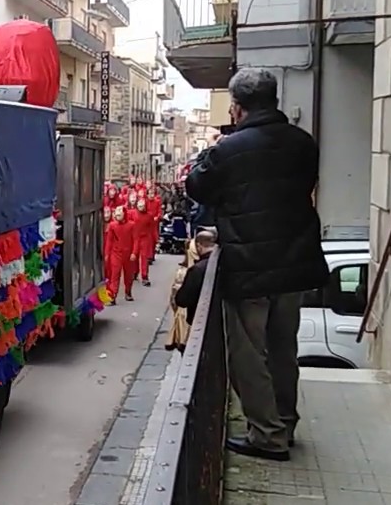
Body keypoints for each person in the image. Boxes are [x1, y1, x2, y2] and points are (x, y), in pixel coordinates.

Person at [185, 68, 329, 462]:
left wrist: (210, 150)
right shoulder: (303, 142)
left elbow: (197, 187)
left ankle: (267, 435)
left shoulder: (228, 150)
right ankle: (285, 423)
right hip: (293, 262)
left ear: (237, 107)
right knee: (284, 349)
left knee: (249, 354)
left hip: (249, 266)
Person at [173, 230, 217, 327]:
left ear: (199, 246)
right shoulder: (224, 264)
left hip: (200, 320)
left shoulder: (197, 270)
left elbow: (182, 300)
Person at [104, 205, 137, 302]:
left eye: (120, 211)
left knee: (128, 275)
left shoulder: (131, 225)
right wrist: (107, 254)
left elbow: (136, 239)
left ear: (124, 213)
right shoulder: (112, 225)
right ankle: (112, 295)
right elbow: (109, 241)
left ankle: (128, 292)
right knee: (115, 274)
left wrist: (134, 252)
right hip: (116, 253)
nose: (117, 213)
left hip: (128, 254)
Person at [132, 197, 157, 286]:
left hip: (145, 238)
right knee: (134, 256)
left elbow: (153, 228)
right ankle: (134, 272)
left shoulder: (149, 215)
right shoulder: (132, 213)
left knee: (144, 258)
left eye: (142, 205)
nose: (141, 207)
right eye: (139, 205)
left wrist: (155, 239)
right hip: (135, 238)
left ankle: (145, 276)